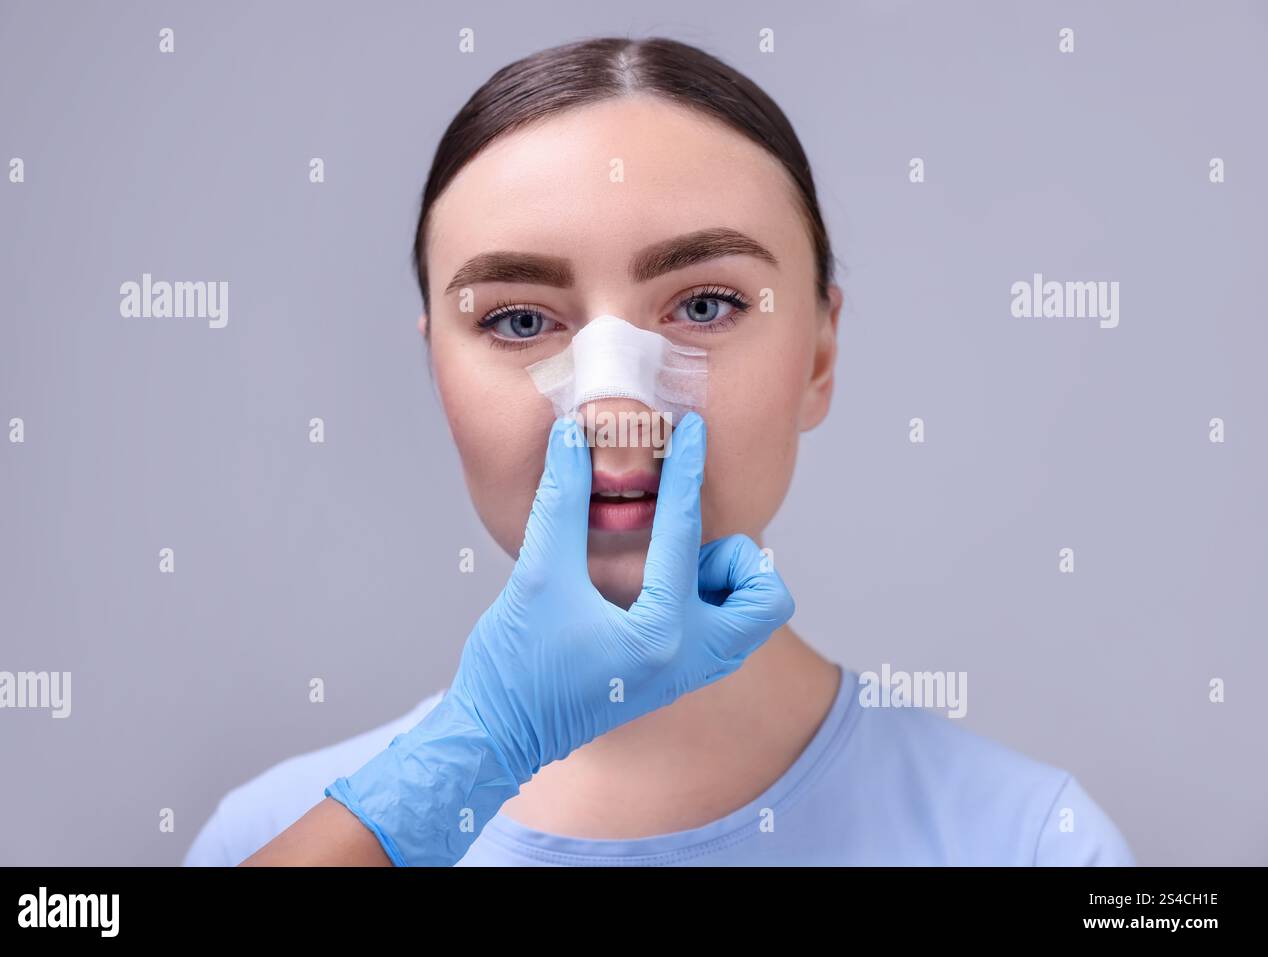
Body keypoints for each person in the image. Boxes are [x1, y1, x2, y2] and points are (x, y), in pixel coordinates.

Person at [184, 36, 1135, 867]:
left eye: (706, 305)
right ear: (435, 365)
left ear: (819, 354)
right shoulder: (272, 838)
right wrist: (473, 752)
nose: (611, 407)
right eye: (520, 319)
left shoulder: (1029, 845)